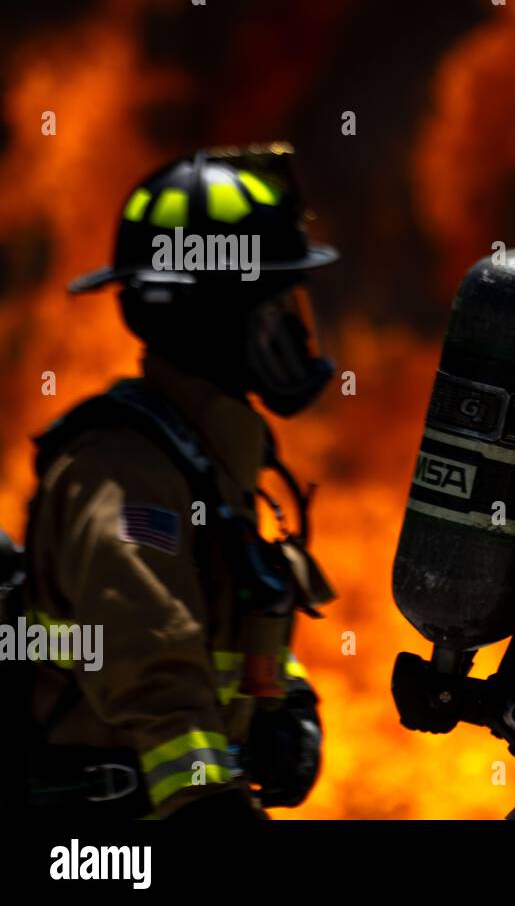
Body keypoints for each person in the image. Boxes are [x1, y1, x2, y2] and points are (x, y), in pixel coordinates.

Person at [4, 144, 338, 819]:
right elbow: (152, 664)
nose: (293, 332)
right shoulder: (124, 473)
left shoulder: (210, 460)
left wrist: (285, 699)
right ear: (213, 317)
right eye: (274, 308)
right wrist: (205, 804)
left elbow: (224, 621)